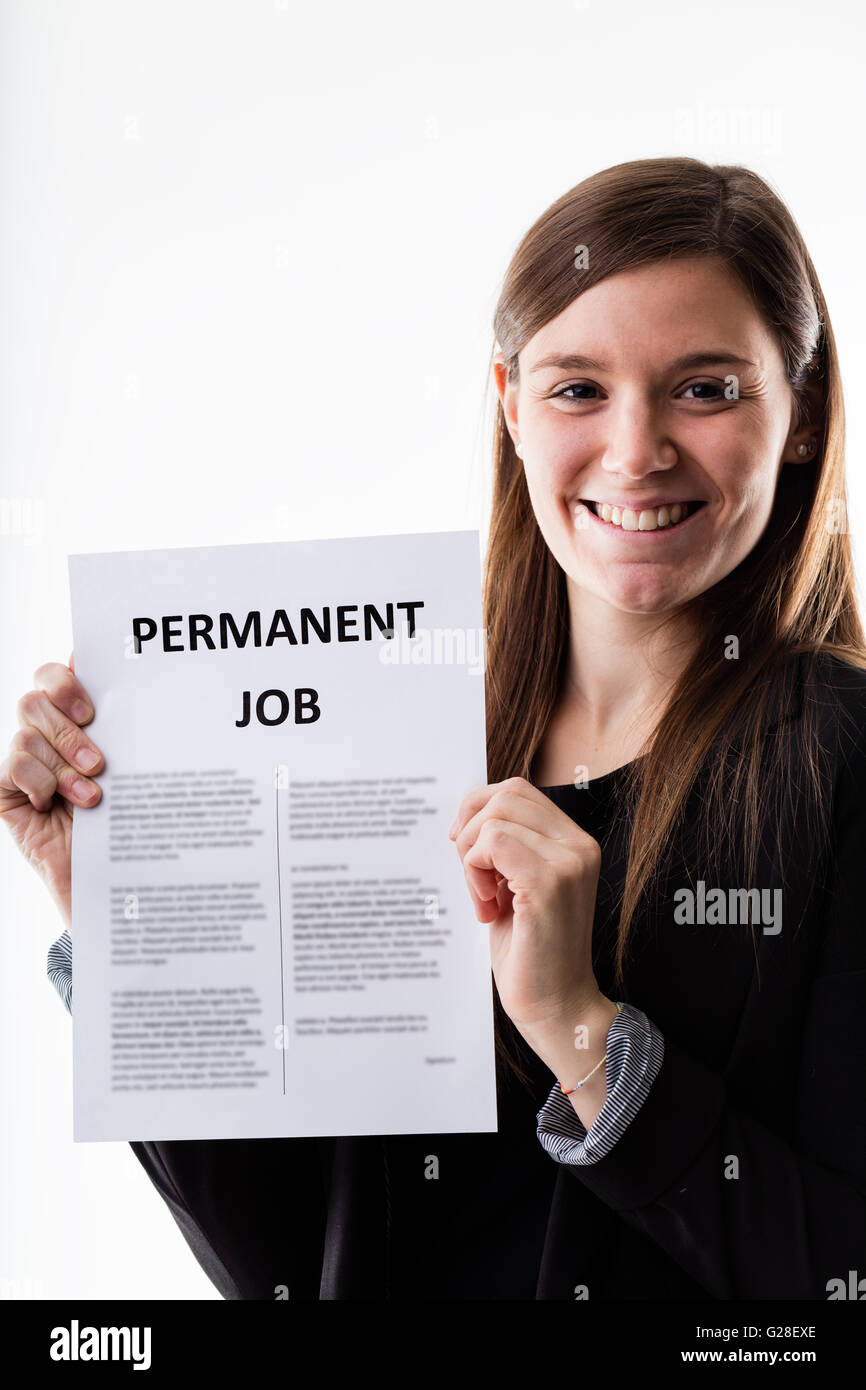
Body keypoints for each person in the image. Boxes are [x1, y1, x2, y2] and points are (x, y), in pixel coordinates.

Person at [4, 154, 866, 1301]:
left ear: (799, 414)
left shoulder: (841, 765)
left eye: (704, 387)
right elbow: (281, 1265)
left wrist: (579, 1032)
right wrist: (119, 908)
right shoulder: (393, 737)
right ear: (510, 405)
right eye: (576, 389)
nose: (635, 450)